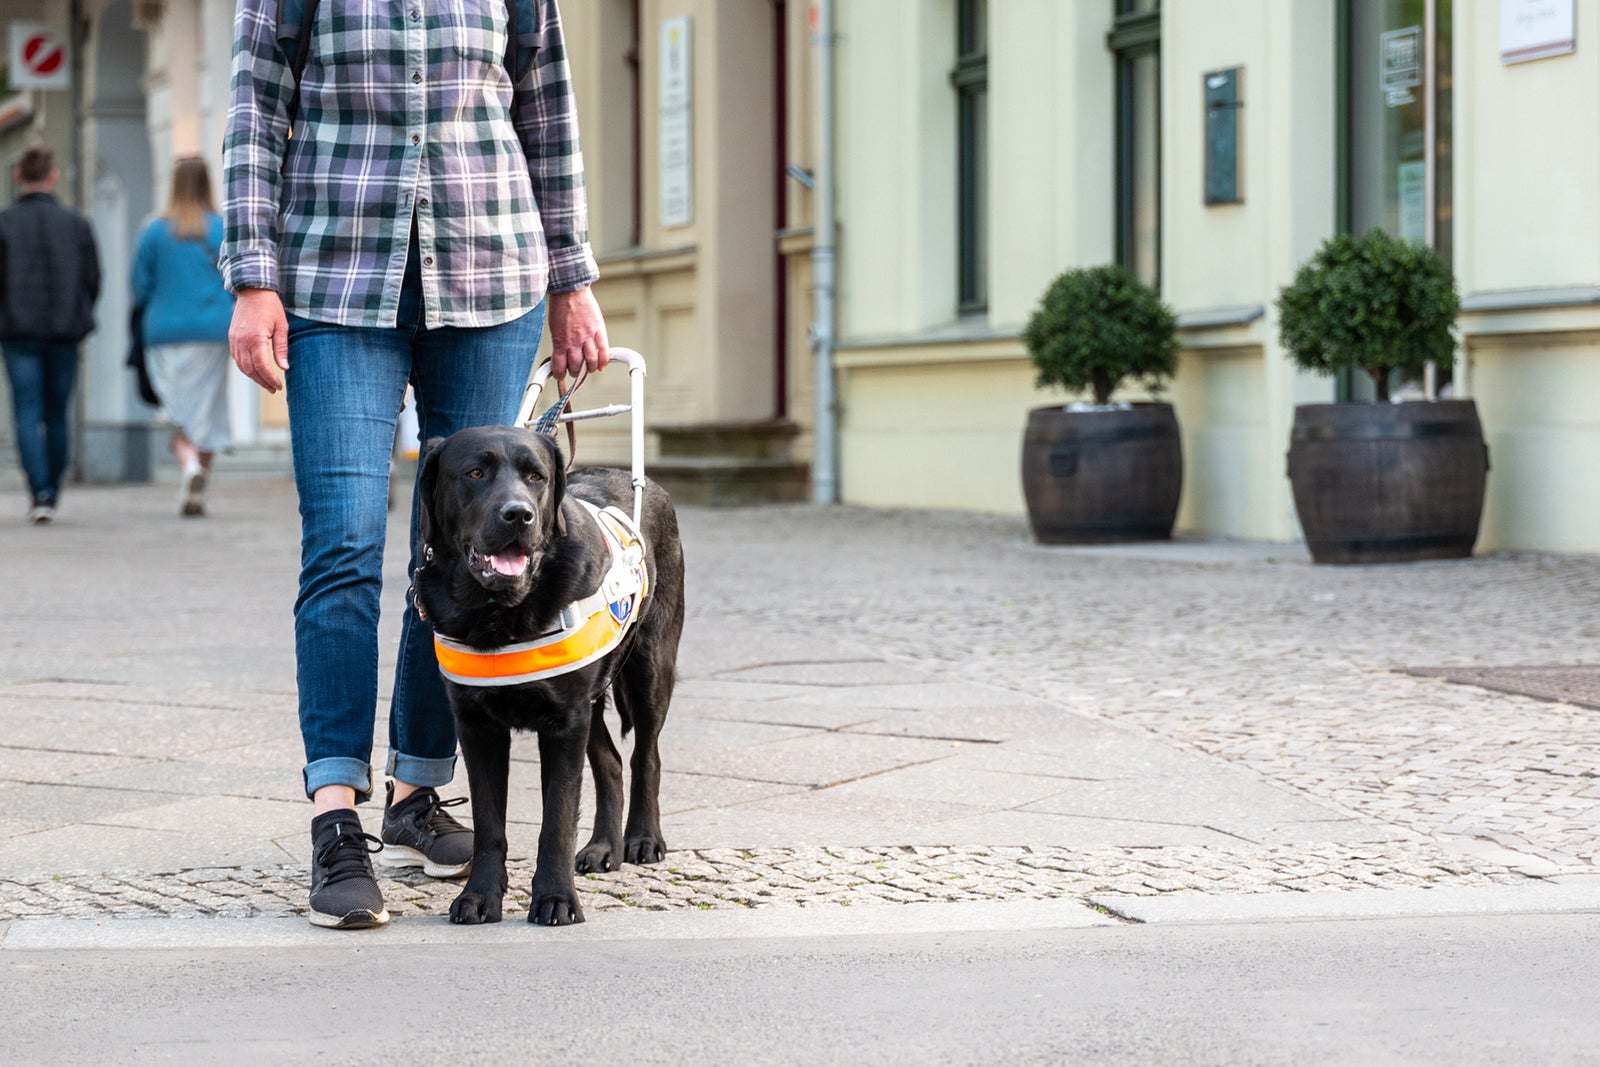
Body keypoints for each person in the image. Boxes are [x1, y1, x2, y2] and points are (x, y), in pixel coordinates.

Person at [222, 0, 610, 929]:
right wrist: (252, 275)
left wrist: (574, 276)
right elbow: (254, 106)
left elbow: (546, 109)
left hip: (491, 272)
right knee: (346, 546)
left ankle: (418, 789)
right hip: (331, 277)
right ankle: (337, 817)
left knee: (473, 552)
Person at [0, 145, 101, 525]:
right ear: (53, 176)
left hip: (17, 331)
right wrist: (79, 313)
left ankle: (38, 491)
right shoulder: (75, 223)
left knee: (27, 411)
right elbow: (93, 279)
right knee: (57, 413)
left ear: (18, 176)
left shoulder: (5, 223)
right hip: (64, 330)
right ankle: (52, 492)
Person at [133, 156, 236, 517]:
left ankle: (189, 465)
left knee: (178, 410)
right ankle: (198, 479)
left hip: (163, 332)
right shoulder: (222, 229)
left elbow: (140, 286)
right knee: (208, 408)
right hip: (214, 328)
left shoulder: (153, 231)